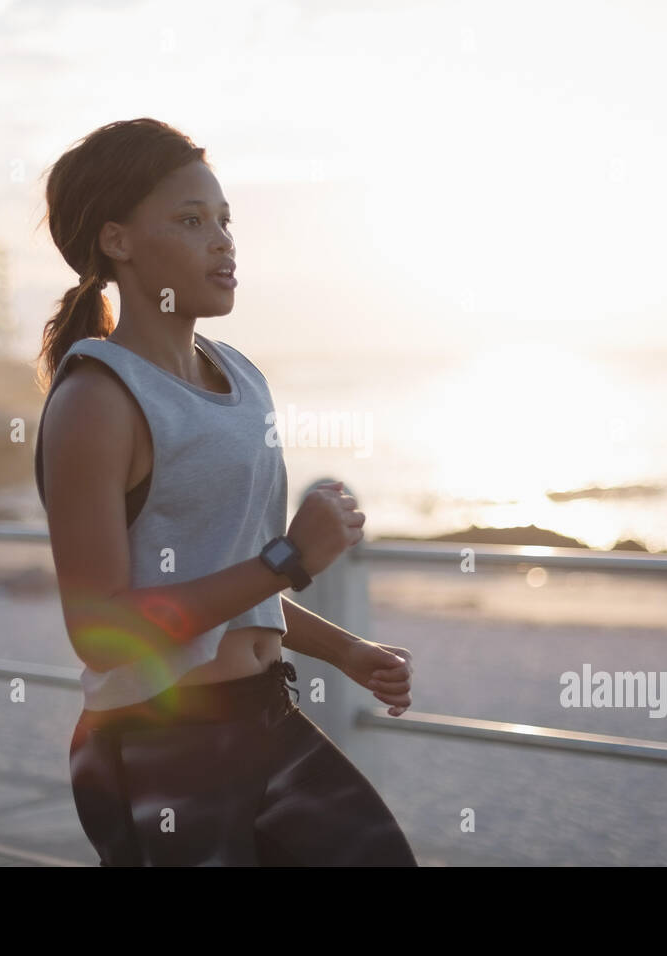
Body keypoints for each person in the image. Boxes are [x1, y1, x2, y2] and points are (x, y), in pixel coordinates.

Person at [32, 118, 418, 866]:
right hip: (157, 741)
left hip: (266, 714)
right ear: (117, 241)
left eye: (224, 219)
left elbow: (231, 580)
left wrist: (345, 650)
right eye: (189, 220)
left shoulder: (241, 377)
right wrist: (287, 558)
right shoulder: (96, 401)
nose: (223, 241)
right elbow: (99, 630)